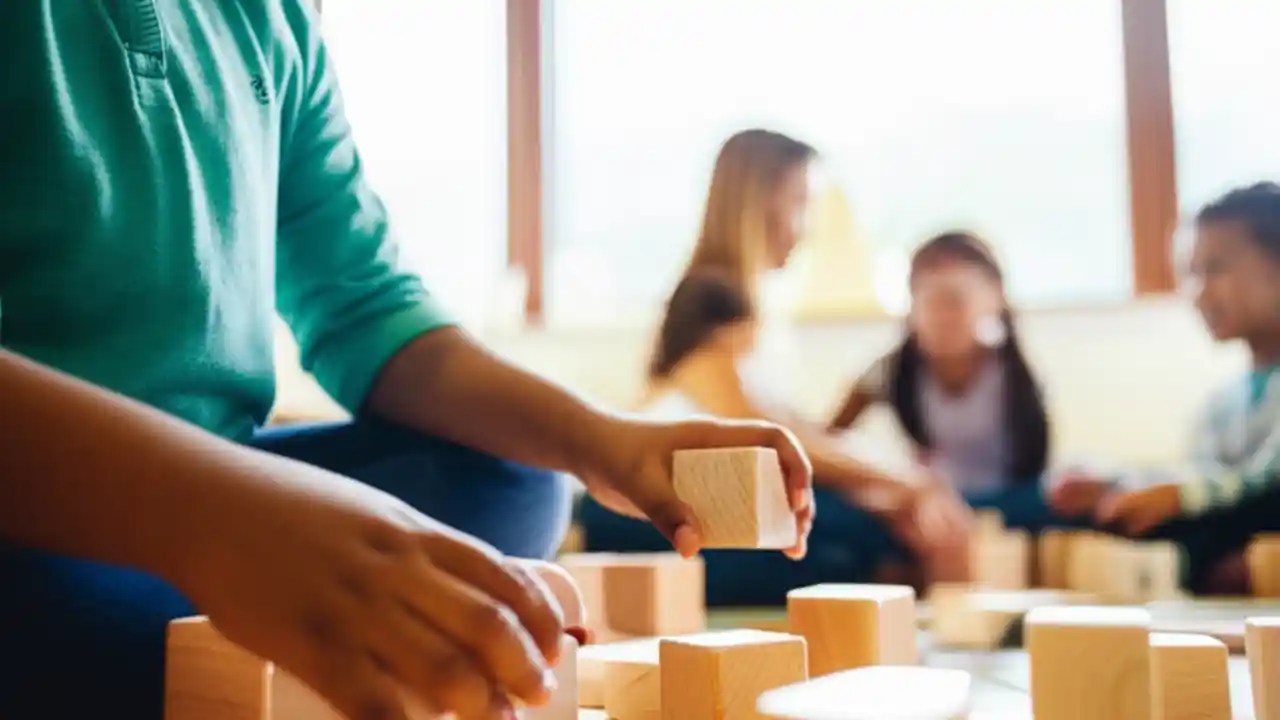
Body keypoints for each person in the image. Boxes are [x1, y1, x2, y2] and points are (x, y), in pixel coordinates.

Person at [0, 5, 815, 719]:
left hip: (220, 480)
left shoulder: (272, 18)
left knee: (515, 474)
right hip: (43, 510)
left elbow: (370, 311)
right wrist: (214, 521)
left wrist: (602, 438)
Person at [579, 130, 971, 604]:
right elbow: (755, 428)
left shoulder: (750, 304)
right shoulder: (710, 296)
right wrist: (901, 482)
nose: (805, 229)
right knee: (853, 544)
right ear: (760, 204)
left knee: (864, 532)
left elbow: (791, 425)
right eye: (799, 203)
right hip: (645, 509)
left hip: (707, 502)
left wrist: (891, 481)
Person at [1053, 182, 1280, 592]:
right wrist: (1118, 485)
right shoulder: (1223, 404)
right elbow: (1208, 477)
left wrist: (1181, 496)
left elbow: (1266, 484)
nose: (1198, 293)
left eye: (1216, 269)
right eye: (1191, 274)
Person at [829, 232, 1067, 532]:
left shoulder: (1015, 373)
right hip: (927, 505)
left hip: (1008, 504)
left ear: (993, 301)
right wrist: (887, 485)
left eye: (954, 301)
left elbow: (1037, 466)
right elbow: (829, 441)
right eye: (928, 300)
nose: (941, 317)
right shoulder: (890, 370)